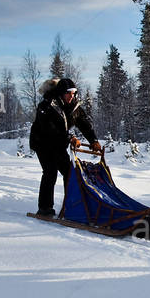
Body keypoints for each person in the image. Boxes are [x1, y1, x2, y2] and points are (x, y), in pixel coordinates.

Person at [28, 77, 101, 217]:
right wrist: (70, 137)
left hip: (58, 144)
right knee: (50, 172)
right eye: (68, 93)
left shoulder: (74, 106)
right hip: (43, 142)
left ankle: (72, 205)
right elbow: (50, 129)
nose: (71, 96)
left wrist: (93, 140)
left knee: (69, 173)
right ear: (61, 93)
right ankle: (44, 208)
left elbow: (84, 124)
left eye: (73, 93)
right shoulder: (47, 105)